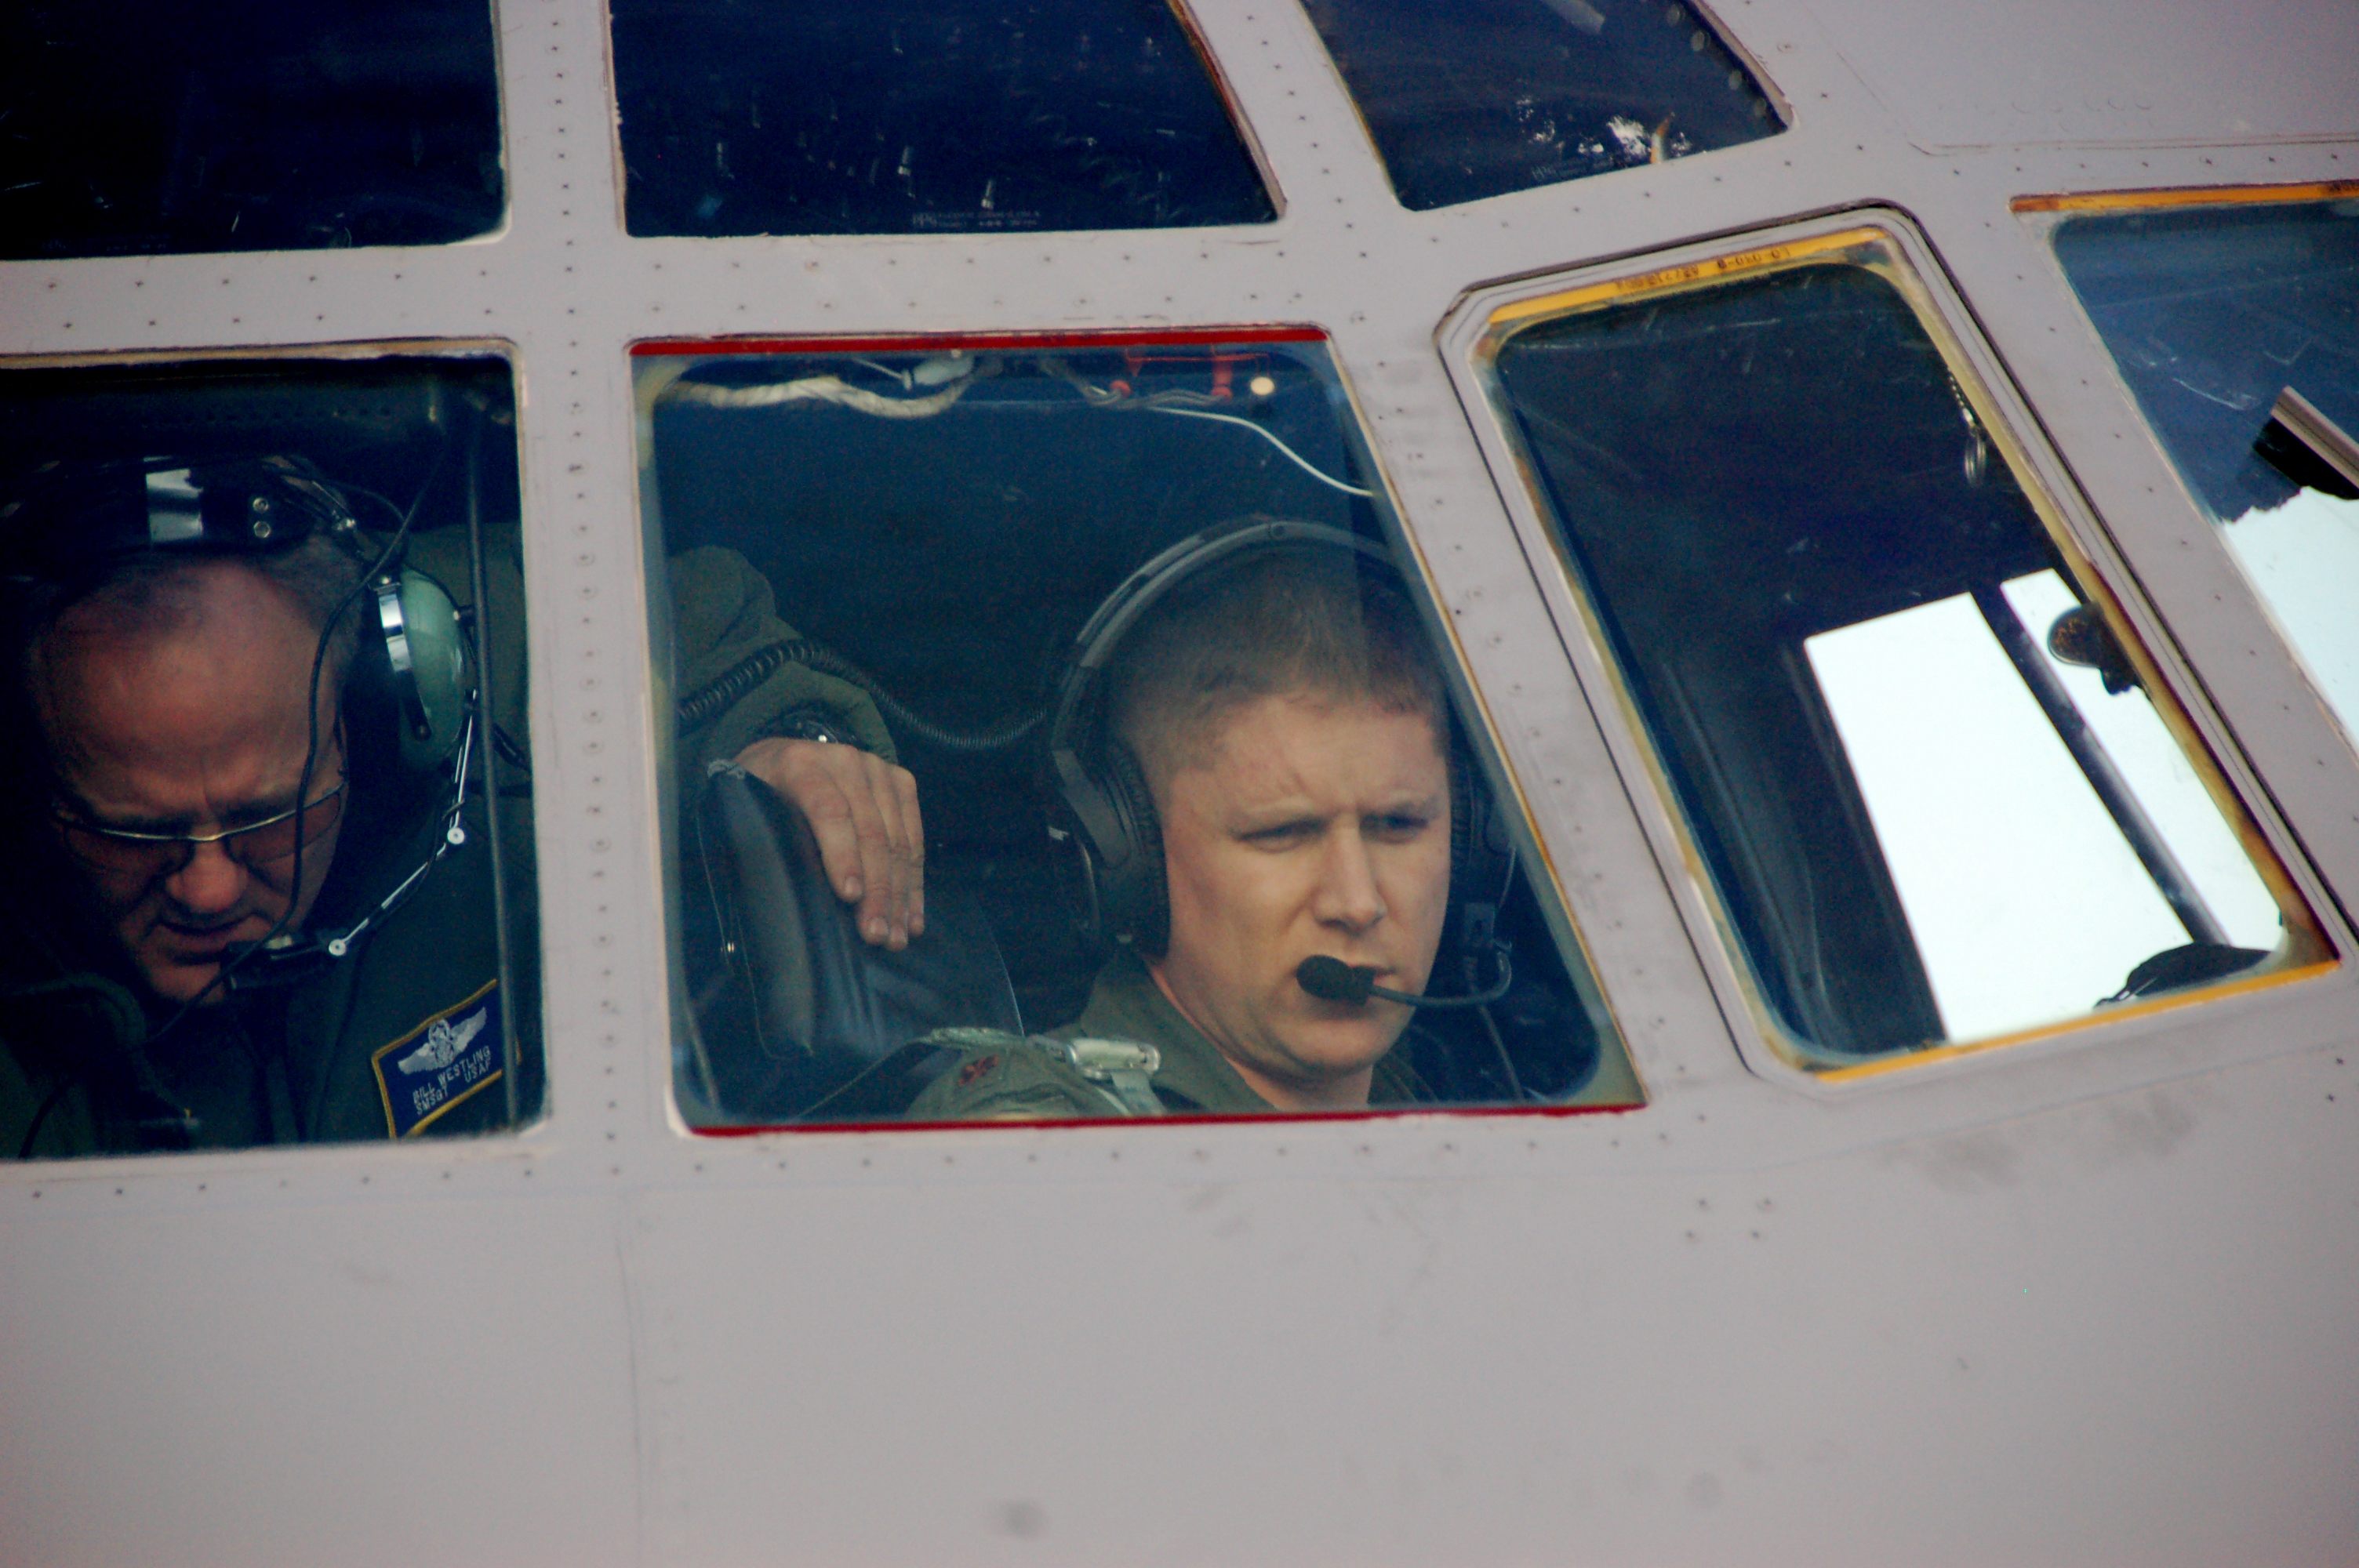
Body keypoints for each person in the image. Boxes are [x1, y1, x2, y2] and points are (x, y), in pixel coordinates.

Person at [0, 457, 924, 1158]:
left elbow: (713, 642)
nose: (205, 888)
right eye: (134, 831)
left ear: (374, 711)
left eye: (266, 814)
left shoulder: (478, 658)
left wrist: (789, 740)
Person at [907, 532, 1453, 1119]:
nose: (1357, 902)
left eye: (1397, 824)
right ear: (1130, 863)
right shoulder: (1039, 1137)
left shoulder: (1449, 1091)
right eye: (1282, 834)